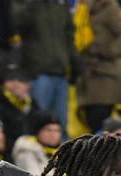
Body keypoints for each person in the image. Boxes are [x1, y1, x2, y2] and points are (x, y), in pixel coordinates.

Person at [13, 0, 76, 130]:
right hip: (37, 72)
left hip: (61, 72)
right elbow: (16, 22)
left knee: (60, 124)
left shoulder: (61, 4)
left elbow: (69, 34)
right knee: (37, 122)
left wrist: (74, 61)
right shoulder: (27, 3)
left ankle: (62, 150)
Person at [78, 0, 121, 133]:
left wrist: (108, 51)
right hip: (86, 74)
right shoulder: (80, 9)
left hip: (105, 75)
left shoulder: (109, 7)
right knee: (90, 121)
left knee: (101, 122)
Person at [10, 109, 63, 176]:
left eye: (57, 130)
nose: (53, 134)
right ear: (37, 132)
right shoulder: (26, 151)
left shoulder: (63, 152)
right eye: (48, 130)